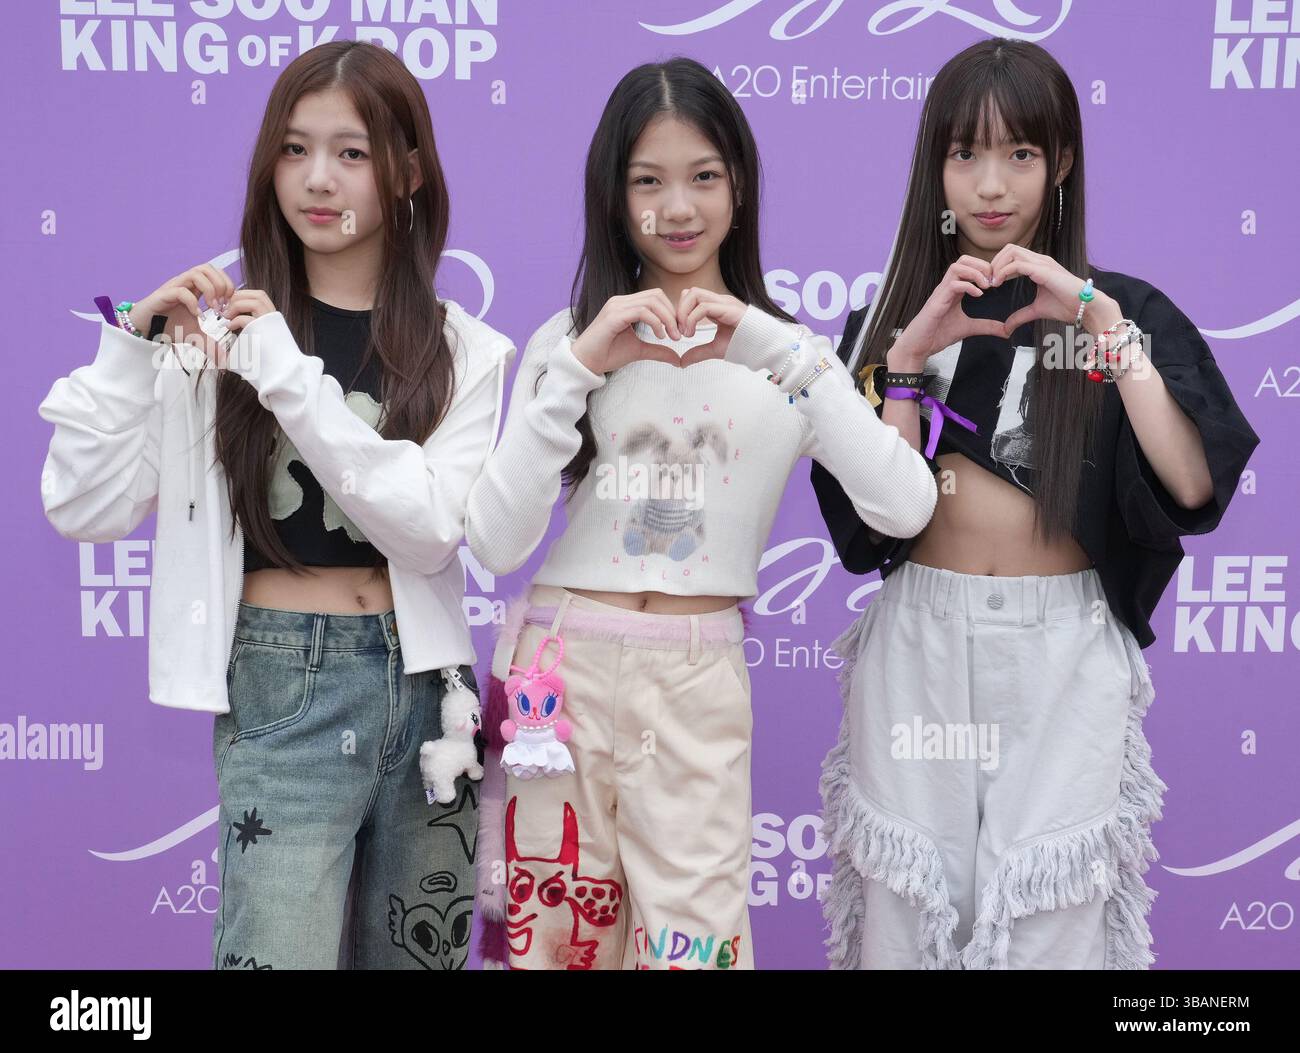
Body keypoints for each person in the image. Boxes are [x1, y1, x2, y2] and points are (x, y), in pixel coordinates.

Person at [37, 41, 515, 970]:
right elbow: (81, 507)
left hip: (431, 704)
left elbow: (427, 535)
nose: (317, 179)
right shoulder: (208, 343)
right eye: (294, 150)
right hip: (280, 684)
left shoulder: (468, 349)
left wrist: (292, 379)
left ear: (407, 171)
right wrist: (130, 351)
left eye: (352, 151)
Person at [463, 57, 937, 970]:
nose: (676, 208)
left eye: (702, 177)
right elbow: (496, 537)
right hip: (554, 678)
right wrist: (578, 370)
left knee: (694, 946)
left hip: (694, 677)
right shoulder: (568, 343)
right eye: (648, 182)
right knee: (554, 938)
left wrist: (776, 350)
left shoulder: (786, 354)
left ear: (740, 185)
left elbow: (905, 503)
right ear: (614, 195)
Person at [812, 38, 1260, 970]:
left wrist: (1099, 320)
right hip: (919, 646)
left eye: (1019, 153)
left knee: (1051, 921)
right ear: (934, 166)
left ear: (1060, 163)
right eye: (965, 153)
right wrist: (903, 363)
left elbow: (1189, 481)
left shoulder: (1122, 311)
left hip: (1064, 653)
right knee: (911, 908)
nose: (990, 184)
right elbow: (881, 520)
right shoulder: (892, 317)